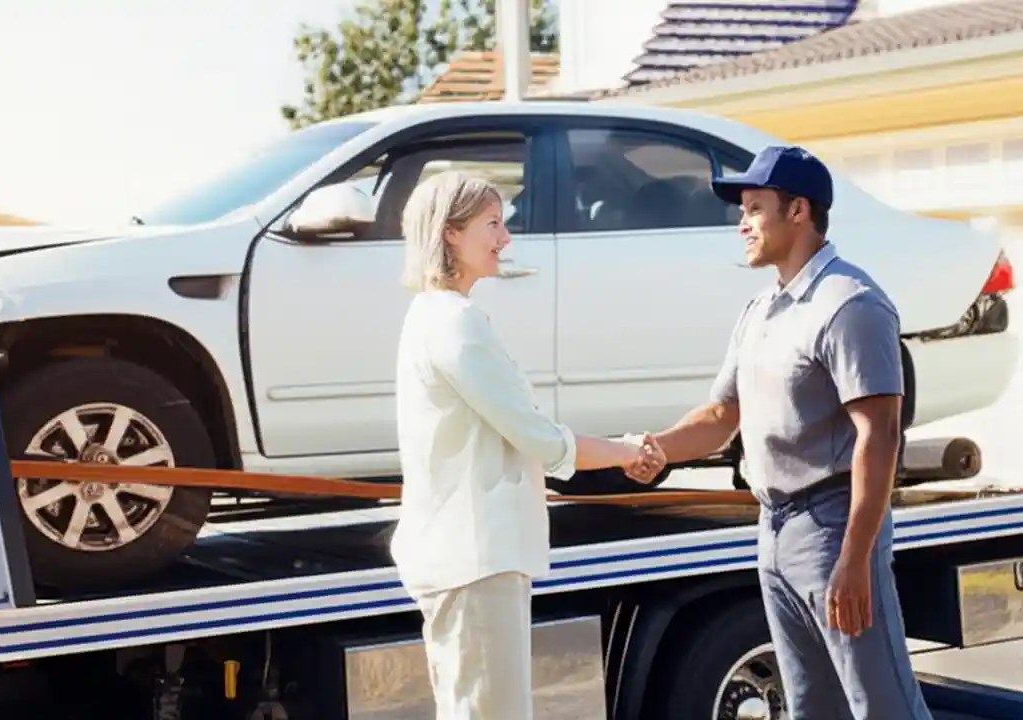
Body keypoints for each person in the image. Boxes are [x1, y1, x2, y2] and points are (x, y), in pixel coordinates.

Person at [627, 146, 934, 719]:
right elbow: (722, 416)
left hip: (833, 529)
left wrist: (855, 559)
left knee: (882, 706)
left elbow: (880, 437)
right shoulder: (761, 310)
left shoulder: (851, 304)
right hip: (775, 529)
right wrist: (657, 449)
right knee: (809, 706)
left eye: (754, 208)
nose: (741, 223)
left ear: (798, 211)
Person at [389, 170, 663, 720]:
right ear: (450, 233)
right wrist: (629, 450)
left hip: (467, 558)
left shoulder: (434, 317)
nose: (505, 239)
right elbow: (540, 439)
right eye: (492, 224)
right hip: (474, 559)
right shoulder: (455, 324)